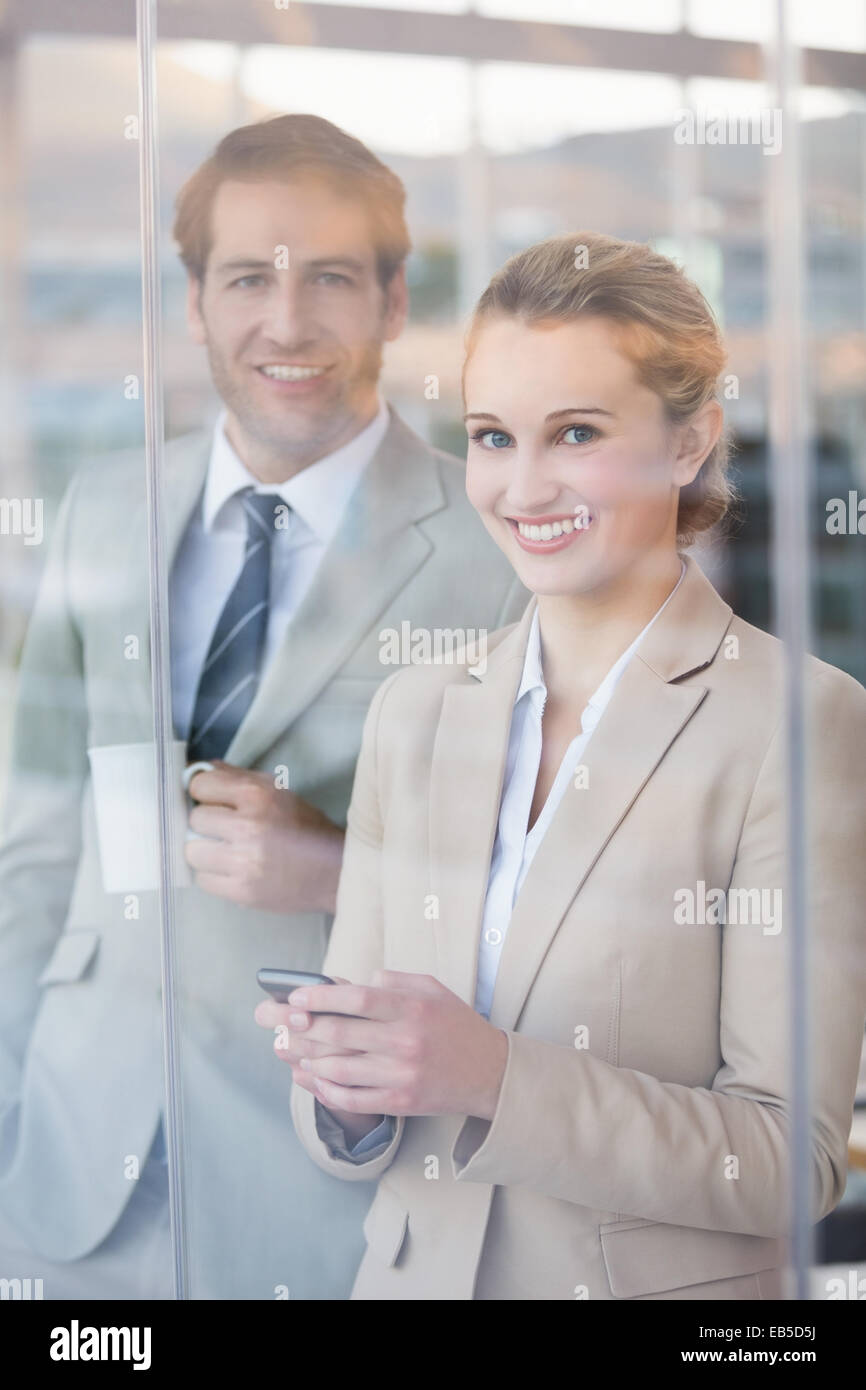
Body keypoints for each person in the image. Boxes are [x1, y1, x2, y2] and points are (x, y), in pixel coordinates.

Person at [258, 231, 866, 1300]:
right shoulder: (417, 714)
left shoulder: (795, 723)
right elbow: (344, 1125)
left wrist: (490, 1075)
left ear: (689, 445)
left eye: (573, 432)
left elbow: (789, 1164)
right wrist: (347, 1089)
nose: (522, 485)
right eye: (492, 437)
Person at [0, 114, 525, 1300]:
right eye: (247, 278)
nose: (285, 324)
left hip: (328, 1199)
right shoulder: (103, 505)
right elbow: (36, 840)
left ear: (394, 301)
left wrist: (347, 872)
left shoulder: (499, 549)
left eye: (331, 278)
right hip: (65, 1182)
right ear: (193, 302)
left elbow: (578, 898)